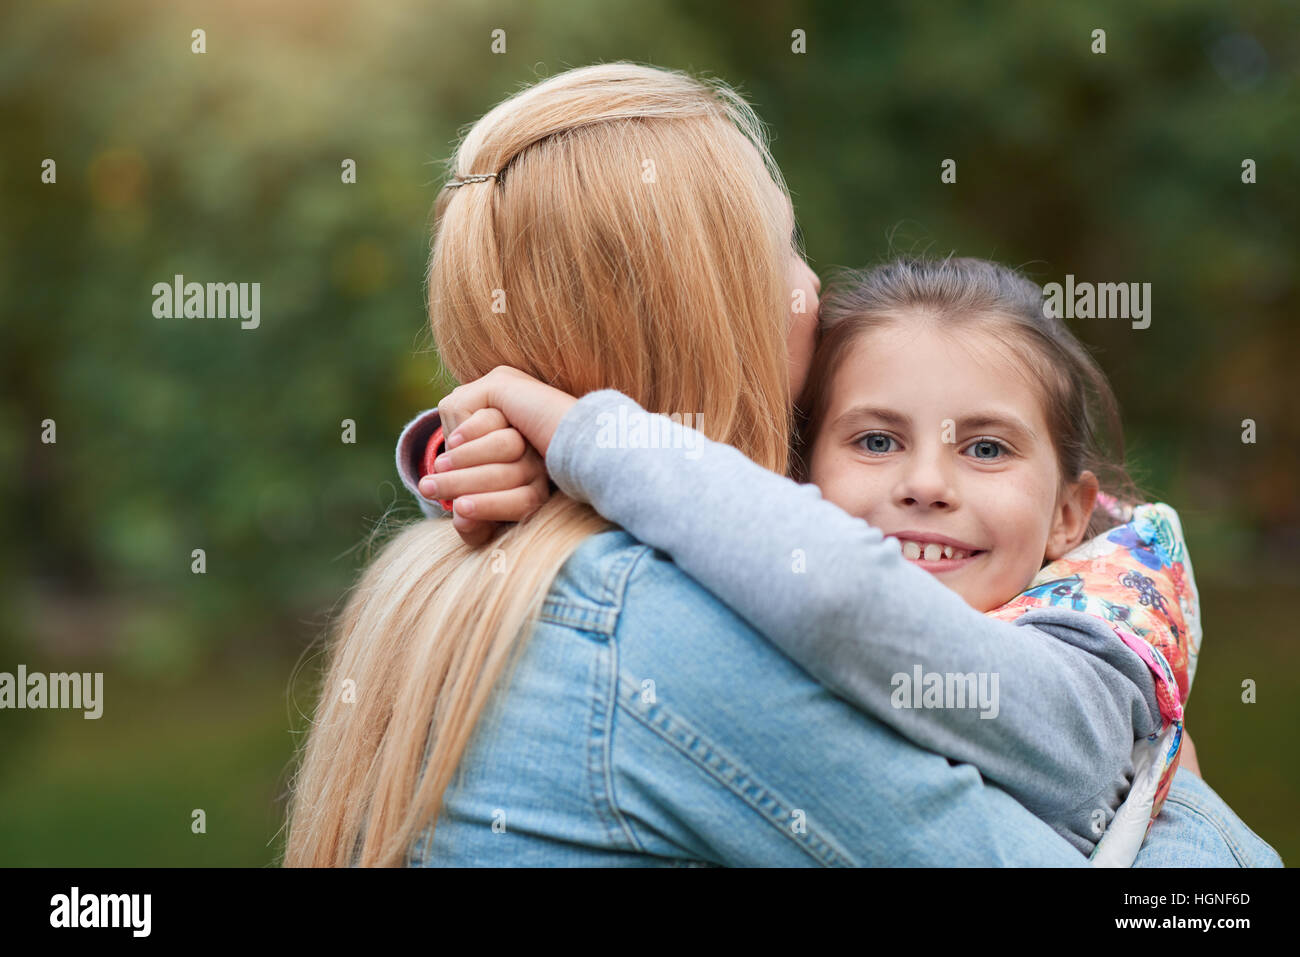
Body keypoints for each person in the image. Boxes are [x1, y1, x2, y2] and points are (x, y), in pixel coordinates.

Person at [286, 63, 1281, 867]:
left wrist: (497, 451)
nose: (815, 285)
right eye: (782, 250)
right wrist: (1174, 793)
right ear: (704, 313)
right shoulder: (660, 633)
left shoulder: (446, 570)